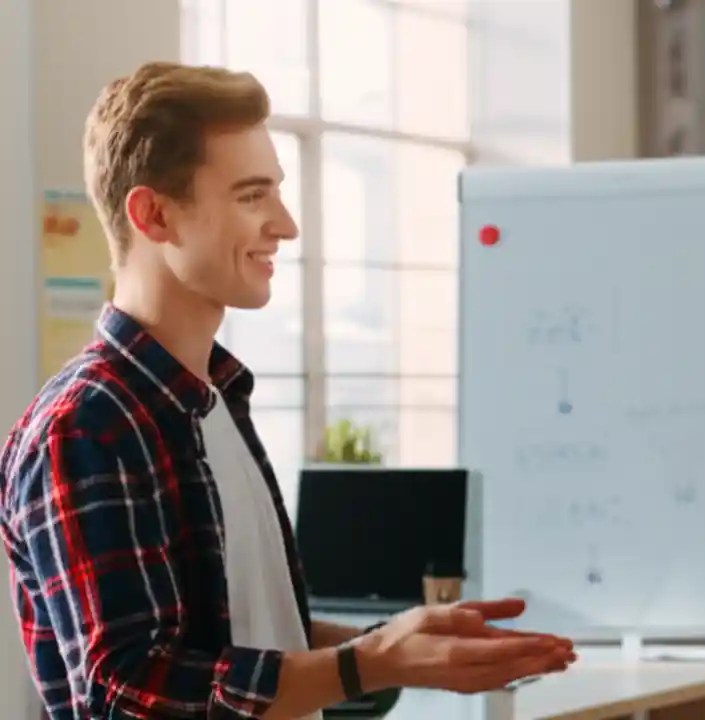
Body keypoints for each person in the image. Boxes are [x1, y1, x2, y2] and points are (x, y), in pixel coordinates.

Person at [0, 62, 575, 720]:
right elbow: (129, 695)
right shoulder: (85, 427)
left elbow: (246, 641)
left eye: (277, 190)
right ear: (154, 215)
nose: (286, 224)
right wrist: (367, 662)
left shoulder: (216, 398)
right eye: (252, 195)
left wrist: (390, 642)